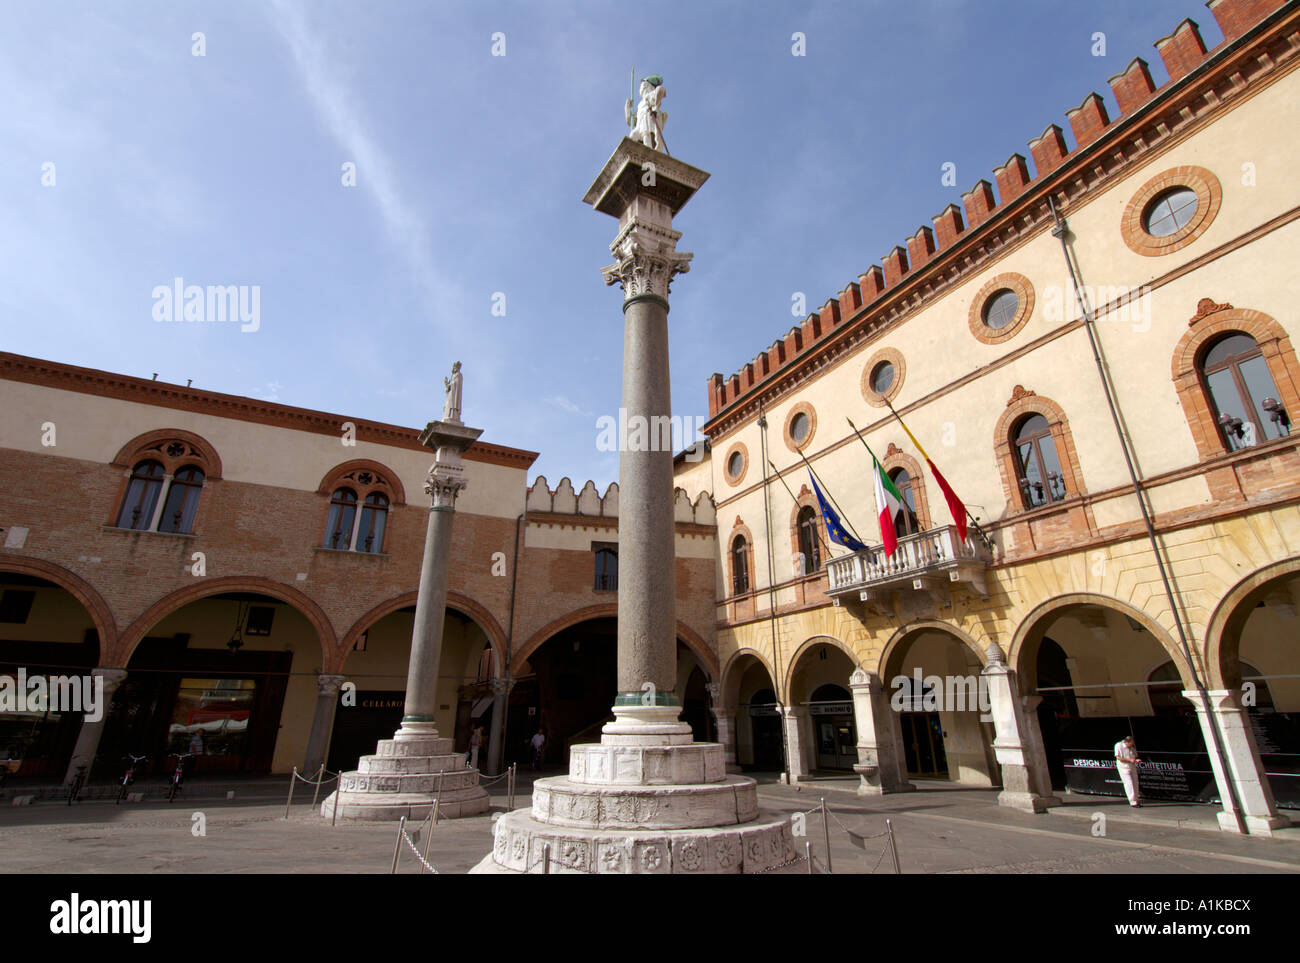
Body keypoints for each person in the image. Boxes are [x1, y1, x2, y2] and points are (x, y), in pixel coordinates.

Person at [1114, 735, 1141, 807]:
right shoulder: (1118, 745)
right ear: (1126, 742)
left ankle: (1136, 799)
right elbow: (1118, 757)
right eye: (1130, 744)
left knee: (1135, 782)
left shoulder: (1132, 747)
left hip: (1132, 766)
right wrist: (1129, 760)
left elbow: (1135, 756)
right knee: (1129, 783)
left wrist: (1135, 760)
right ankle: (1132, 802)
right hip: (1123, 767)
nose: (1131, 746)